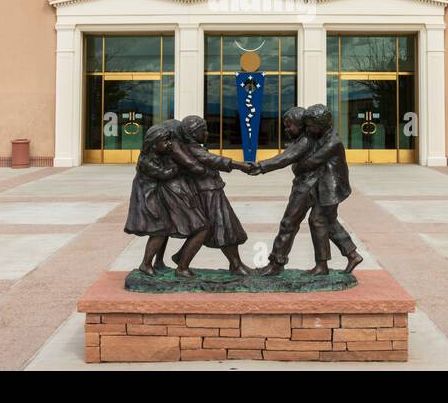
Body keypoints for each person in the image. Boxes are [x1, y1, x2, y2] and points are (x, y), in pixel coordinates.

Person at [252, 105, 363, 276]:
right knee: (323, 222)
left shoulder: (325, 141)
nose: (287, 129)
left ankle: (278, 263)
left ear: (319, 125)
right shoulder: (315, 136)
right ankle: (344, 257)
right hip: (318, 185)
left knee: (292, 222)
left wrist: (262, 166)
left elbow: (296, 161)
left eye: (290, 125)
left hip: (323, 187)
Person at [167, 115, 254, 277]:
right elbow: (213, 160)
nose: (207, 134)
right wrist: (239, 165)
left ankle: (234, 264)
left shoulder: (192, 148)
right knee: (223, 227)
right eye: (203, 131)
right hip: (207, 194)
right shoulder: (192, 149)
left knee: (225, 227)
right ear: (193, 133)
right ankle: (183, 265)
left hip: (212, 191)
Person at [123, 121, 210, 278]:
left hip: (156, 195)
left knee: (164, 228)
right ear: (153, 144)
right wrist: (184, 166)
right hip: (148, 198)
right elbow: (165, 173)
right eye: (165, 141)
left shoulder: (158, 154)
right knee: (159, 230)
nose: (170, 144)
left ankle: (158, 262)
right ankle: (146, 264)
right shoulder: (146, 161)